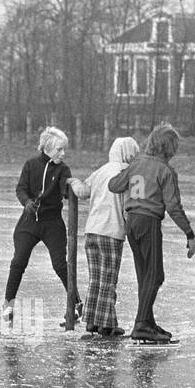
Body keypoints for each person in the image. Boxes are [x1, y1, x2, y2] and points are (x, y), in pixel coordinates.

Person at [107, 123, 195, 342]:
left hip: (132, 224)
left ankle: (147, 321)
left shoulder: (137, 163)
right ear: (169, 147)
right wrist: (189, 233)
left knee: (145, 275)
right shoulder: (165, 171)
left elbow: (114, 185)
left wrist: (120, 172)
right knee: (155, 276)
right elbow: (173, 206)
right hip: (149, 223)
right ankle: (141, 325)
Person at [4, 127, 79, 326]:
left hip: (52, 223)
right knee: (18, 261)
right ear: (47, 148)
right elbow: (21, 188)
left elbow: (65, 187)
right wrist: (27, 202)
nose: (63, 154)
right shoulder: (30, 165)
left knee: (60, 265)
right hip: (29, 222)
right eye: (59, 150)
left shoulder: (62, 169)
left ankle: (77, 304)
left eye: (64, 150)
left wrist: (70, 187)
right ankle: (8, 305)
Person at [70, 136, 139, 337]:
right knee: (108, 280)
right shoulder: (130, 173)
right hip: (112, 232)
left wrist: (73, 181)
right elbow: (133, 203)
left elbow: (82, 192)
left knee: (96, 279)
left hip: (91, 231)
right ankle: (106, 324)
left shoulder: (101, 171)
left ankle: (91, 321)